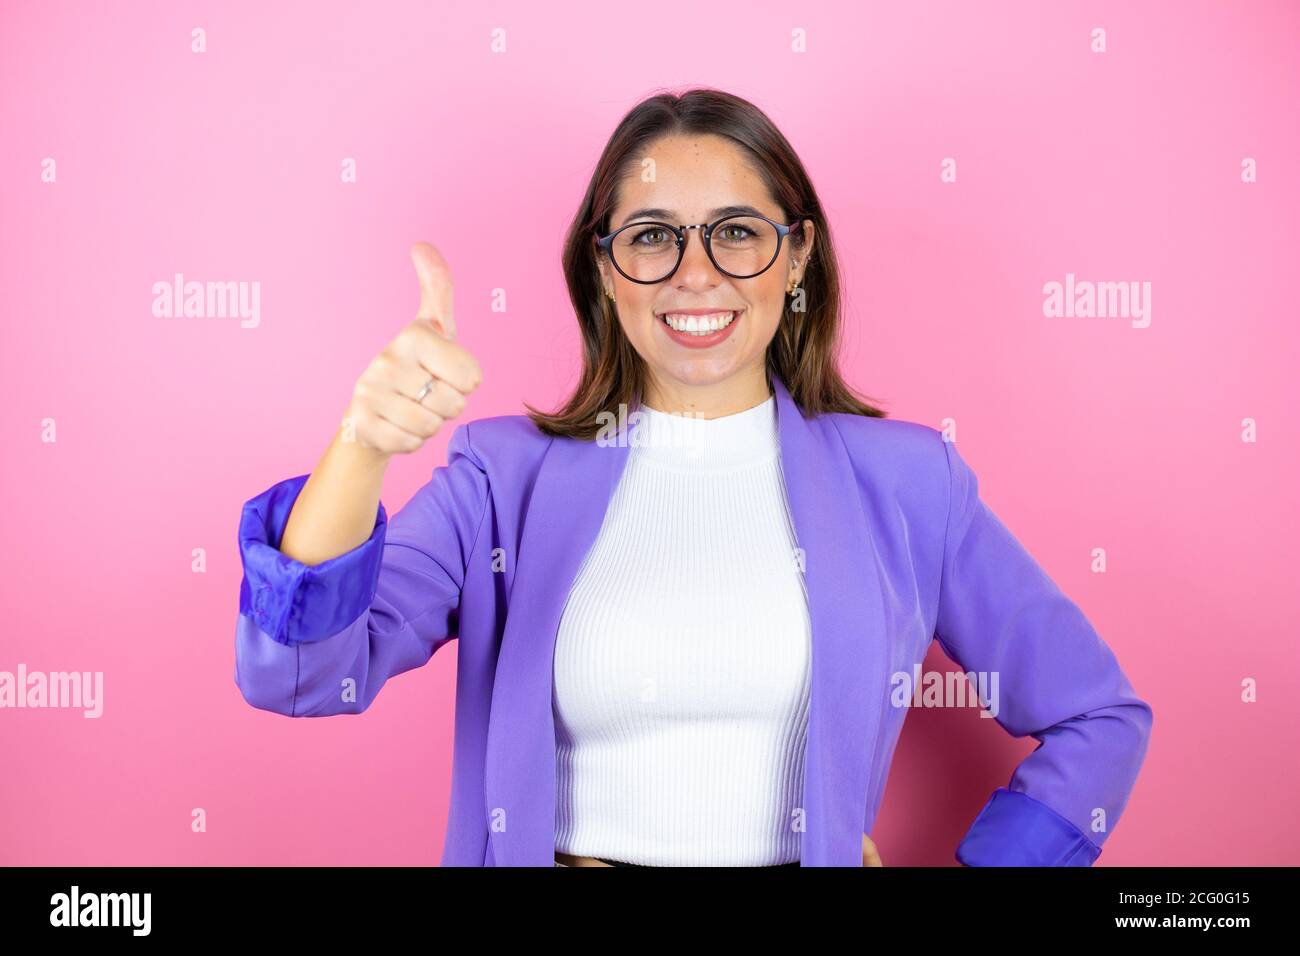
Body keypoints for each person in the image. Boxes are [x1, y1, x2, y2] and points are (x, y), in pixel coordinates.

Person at [234, 88, 1152, 868]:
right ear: (604, 270)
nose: (696, 275)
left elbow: (1098, 716)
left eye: (737, 233)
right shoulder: (500, 479)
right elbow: (304, 677)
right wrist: (363, 443)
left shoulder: (910, 483)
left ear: (795, 258)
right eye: (651, 237)